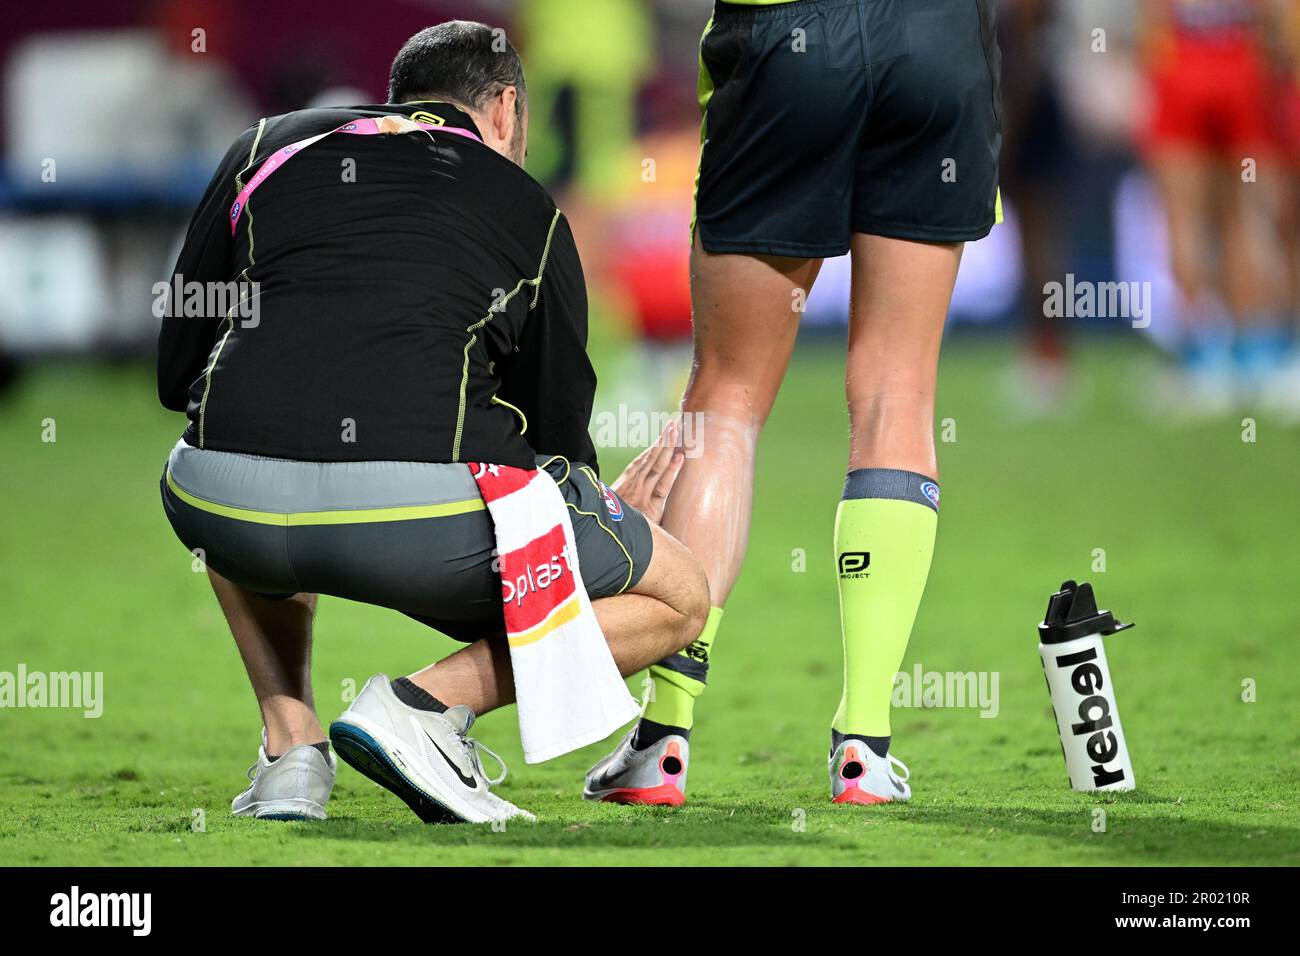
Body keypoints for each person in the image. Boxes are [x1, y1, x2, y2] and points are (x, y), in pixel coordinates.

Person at [156, 21, 708, 824]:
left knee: (246, 422)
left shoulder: (260, 147)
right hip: (417, 522)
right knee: (681, 598)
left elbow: (179, 373)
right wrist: (602, 512)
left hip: (218, 504)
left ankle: (290, 752)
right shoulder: (527, 204)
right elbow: (551, 437)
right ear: (510, 107)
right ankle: (427, 704)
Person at [584, 0, 1002, 806]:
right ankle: (866, 751)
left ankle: (664, 738)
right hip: (939, 37)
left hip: (792, 36)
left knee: (727, 401)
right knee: (899, 393)